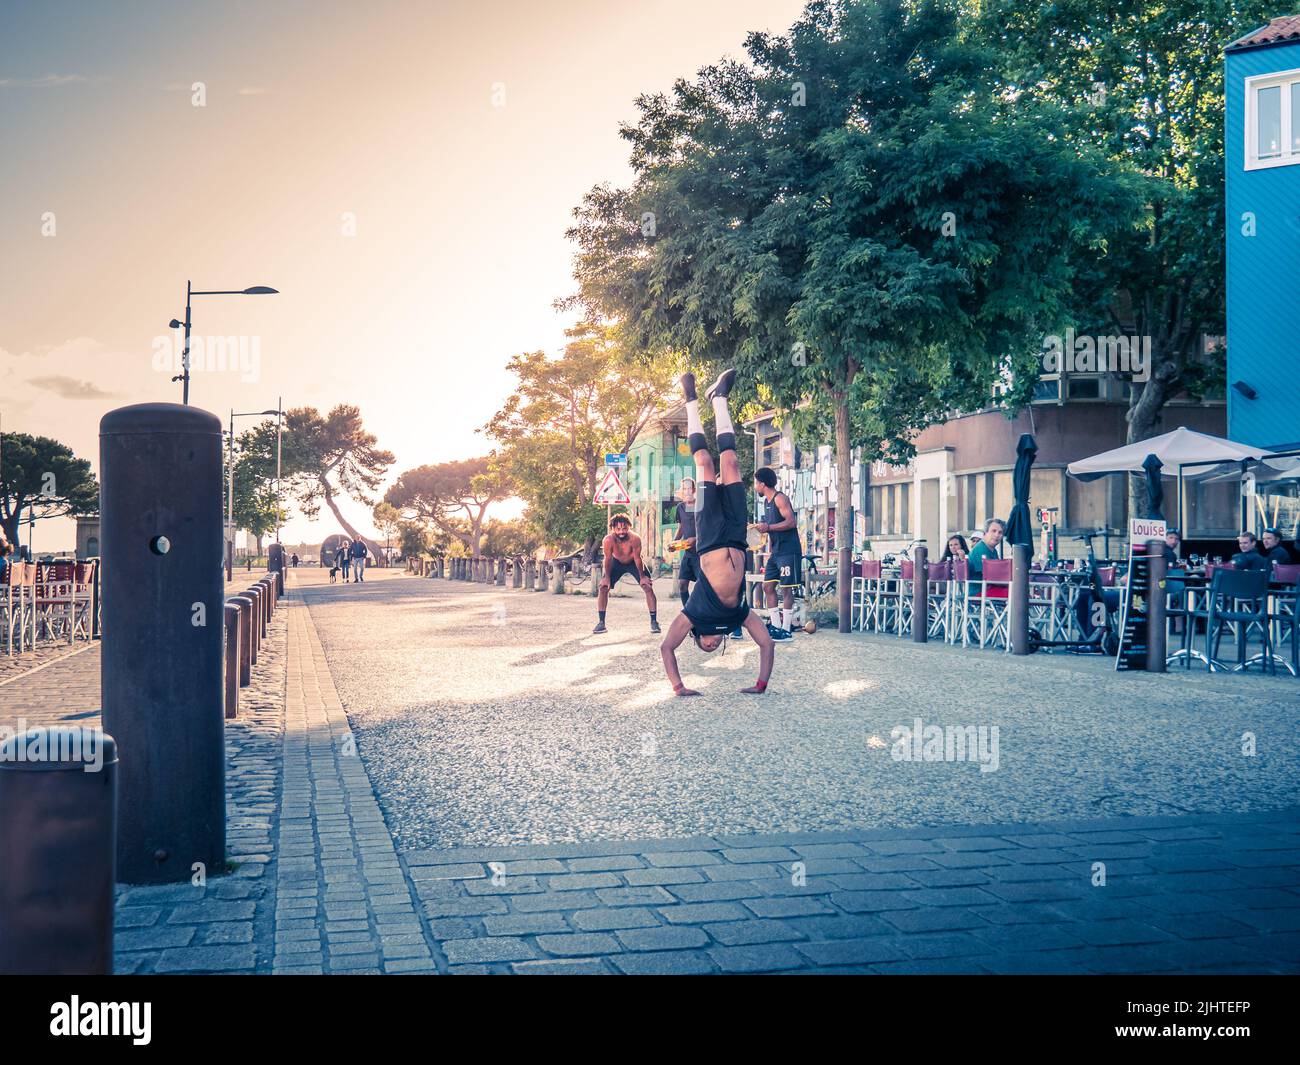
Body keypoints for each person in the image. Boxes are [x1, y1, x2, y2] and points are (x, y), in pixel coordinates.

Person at [660, 369, 774, 695]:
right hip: (736, 534)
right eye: (715, 648)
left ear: (697, 638)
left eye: (704, 648)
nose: (711, 647)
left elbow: (666, 648)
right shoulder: (738, 615)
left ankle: (692, 400)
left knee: (705, 463)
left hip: (709, 535)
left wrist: (678, 687)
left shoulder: (694, 615)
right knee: (732, 463)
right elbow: (766, 644)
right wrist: (761, 684)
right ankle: (719, 399)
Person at [754, 466, 803, 641]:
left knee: (787, 590)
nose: (755, 486)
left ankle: (786, 629)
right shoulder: (766, 503)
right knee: (767, 587)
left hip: (789, 551)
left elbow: (791, 522)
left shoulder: (780, 498)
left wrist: (768, 528)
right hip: (776, 552)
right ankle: (775, 627)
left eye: (756, 483)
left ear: (763, 483)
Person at [593, 514, 659, 634]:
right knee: (603, 588)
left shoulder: (635, 539)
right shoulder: (608, 540)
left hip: (633, 562)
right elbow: (607, 559)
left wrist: (643, 577)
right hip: (616, 563)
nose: (621, 531)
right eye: (618, 529)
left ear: (629, 527)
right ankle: (601, 623)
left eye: (624, 528)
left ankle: (654, 622)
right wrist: (607, 578)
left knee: (647, 587)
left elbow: (638, 558)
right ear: (613, 528)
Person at [673, 478, 700, 610]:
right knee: (682, 584)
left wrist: (695, 539)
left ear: (694, 490)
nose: (686, 491)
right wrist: (674, 541)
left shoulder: (701, 506)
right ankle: (689, 613)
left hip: (701, 553)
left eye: (689, 488)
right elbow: (681, 527)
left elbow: (708, 528)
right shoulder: (680, 507)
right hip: (688, 553)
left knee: (702, 586)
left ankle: (702, 613)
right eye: (684, 488)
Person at [967, 519, 1005, 585]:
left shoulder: (993, 550)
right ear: (985, 533)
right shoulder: (980, 549)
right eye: (993, 531)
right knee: (1018, 594)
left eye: (1000, 532)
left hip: (990, 588)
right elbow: (992, 577)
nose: (997, 535)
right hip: (980, 591)